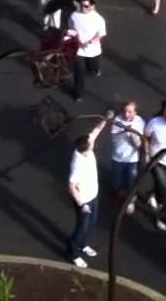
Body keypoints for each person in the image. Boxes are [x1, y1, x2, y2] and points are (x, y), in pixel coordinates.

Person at [67, 114, 109, 268]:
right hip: (84, 200)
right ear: (85, 150)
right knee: (81, 227)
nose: (93, 144)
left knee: (92, 222)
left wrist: (106, 119)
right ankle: (72, 251)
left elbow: (96, 131)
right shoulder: (77, 164)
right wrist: (81, 204)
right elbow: (71, 186)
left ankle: (83, 245)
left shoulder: (86, 147)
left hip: (93, 195)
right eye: (91, 145)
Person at [67, 0, 107, 101]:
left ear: (92, 6)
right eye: (81, 5)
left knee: (92, 69)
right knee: (78, 72)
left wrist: (92, 41)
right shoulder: (73, 16)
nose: (84, 8)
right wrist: (73, 35)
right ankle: (78, 93)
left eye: (86, 6)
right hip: (78, 50)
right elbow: (71, 28)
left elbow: (101, 34)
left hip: (92, 50)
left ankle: (94, 70)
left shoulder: (98, 19)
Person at [109, 101, 145, 211]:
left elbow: (139, 144)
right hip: (118, 157)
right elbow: (114, 139)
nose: (126, 114)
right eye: (125, 111)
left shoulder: (140, 122)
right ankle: (117, 196)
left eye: (130, 112)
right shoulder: (117, 120)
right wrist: (124, 131)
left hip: (132, 159)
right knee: (116, 181)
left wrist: (132, 134)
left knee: (131, 182)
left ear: (135, 112)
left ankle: (129, 202)